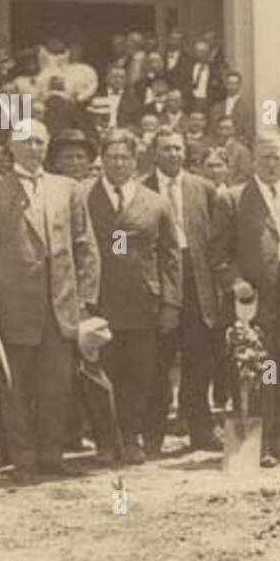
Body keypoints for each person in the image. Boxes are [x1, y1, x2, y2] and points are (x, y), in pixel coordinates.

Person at [0, 118, 100, 479]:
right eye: (26, 142)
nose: (34, 148)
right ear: (12, 148)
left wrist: (84, 302)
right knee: (15, 389)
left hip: (61, 308)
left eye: (40, 142)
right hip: (13, 310)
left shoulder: (67, 189)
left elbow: (86, 247)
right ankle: (24, 460)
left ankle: (52, 456)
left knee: (56, 385)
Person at [209, 131, 280, 466]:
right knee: (259, 368)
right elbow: (218, 254)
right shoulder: (233, 198)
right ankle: (260, 443)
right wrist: (235, 282)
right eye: (268, 158)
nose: (275, 165)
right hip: (256, 297)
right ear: (255, 161)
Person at [86, 130, 181, 463]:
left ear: (135, 160)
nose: (118, 163)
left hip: (143, 303)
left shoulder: (155, 202)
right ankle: (106, 440)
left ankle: (131, 437)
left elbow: (170, 256)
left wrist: (171, 302)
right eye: (111, 157)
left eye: (125, 157)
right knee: (101, 373)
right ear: (102, 160)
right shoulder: (84, 197)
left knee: (140, 374)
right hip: (100, 302)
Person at [142, 128, 224, 454]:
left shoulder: (203, 188)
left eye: (177, 148)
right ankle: (152, 435)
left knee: (199, 360)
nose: (173, 154)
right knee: (158, 362)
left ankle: (200, 431)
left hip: (196, 279)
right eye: (166, 149)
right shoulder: (141, 188)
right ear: (154, 153)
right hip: (160, 278)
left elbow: (218, 240)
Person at [88, 65, 140, 135]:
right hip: (99, 134)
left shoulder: (133, 101)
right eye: (114, 76)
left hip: (123, 136)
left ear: (125, 80)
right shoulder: (96, 97)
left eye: (121, 77)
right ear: (107, 78)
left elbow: (137, 124)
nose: (117, 80)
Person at [210, 71, 253, 148]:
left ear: (239, 85)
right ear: (226, 85)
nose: (232, 86)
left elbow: (248, 132)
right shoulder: (217, 107)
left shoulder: (244, 108)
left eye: (234, 83)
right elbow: (212, 129)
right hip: (217, 145)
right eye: (229, 83)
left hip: (236, 146)